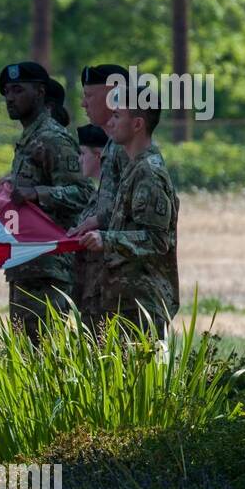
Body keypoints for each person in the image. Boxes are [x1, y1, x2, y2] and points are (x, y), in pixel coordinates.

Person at [0, 61, 92, 342]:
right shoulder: (29, 139)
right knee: (26, 356)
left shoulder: (53, 139)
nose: (10, 98)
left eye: (18, 90)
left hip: (50, 268)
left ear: (40, 92)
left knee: (44, 354)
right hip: (25, 264)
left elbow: (83, 194)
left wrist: (37, 194)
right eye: (6, 92)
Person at [79, 95, 180, 337]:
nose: (110, 123)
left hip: (142, 305)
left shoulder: (148, 172)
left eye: (117, 116)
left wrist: (108, 239)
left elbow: (157, 240)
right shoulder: (134, 168)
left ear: (137, 124)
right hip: (125, 300)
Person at [71, 123, 110, 323]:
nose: (79, 159)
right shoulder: (100, 191)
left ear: (97, 155)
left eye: (82, 153)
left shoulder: (112, 191)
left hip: (106, 294)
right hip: (91, 292)